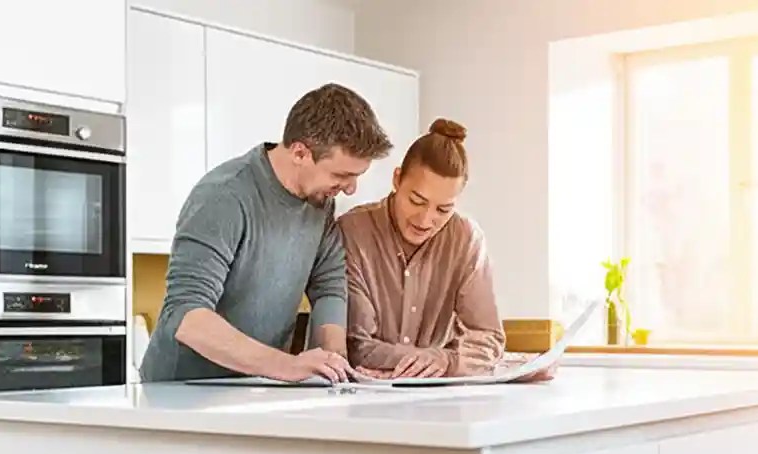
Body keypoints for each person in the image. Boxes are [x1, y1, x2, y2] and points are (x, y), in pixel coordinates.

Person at [138, 83, 393, 383]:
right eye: (341, 175)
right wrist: (286, 366)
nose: (350, 188)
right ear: (300, 152)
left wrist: (335, 364)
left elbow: (329, 288)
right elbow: (187, 315)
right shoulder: (225, 196)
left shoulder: (319, 204)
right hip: (181, 392)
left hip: (253, 387)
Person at [339, 118, 508, 379]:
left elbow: (488, 337)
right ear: (397, 180)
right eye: (416, 201)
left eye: (443, 209)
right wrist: (429, 362)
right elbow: (355, 346)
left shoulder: (466, 238)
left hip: (438, 397)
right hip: (362, 394)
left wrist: (444, 361)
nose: (425, 220)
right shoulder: (353, 232)